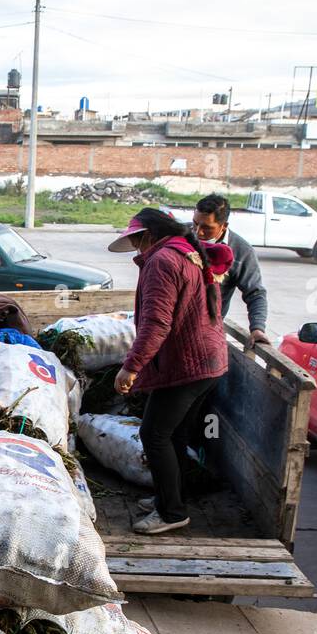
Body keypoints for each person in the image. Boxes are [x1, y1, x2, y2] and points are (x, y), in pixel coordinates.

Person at [108, 209, 234, 535]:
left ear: (148, 234)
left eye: (137, 240)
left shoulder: (163, 261)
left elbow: (156, 324)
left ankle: (172, 512)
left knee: (154, 434)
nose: (136, 249)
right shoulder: (187, 252)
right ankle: (170, 498)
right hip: (208, 362)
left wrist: (131, 367)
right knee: (175, 434)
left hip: (187, 365)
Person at [192, 194, 270, 346]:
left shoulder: (241, 252)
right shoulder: (183, 237)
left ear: (224, 226)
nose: (198, 232)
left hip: (206, 334)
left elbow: (255, 293)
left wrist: (257, 327)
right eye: (195, 224)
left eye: (207, 228)